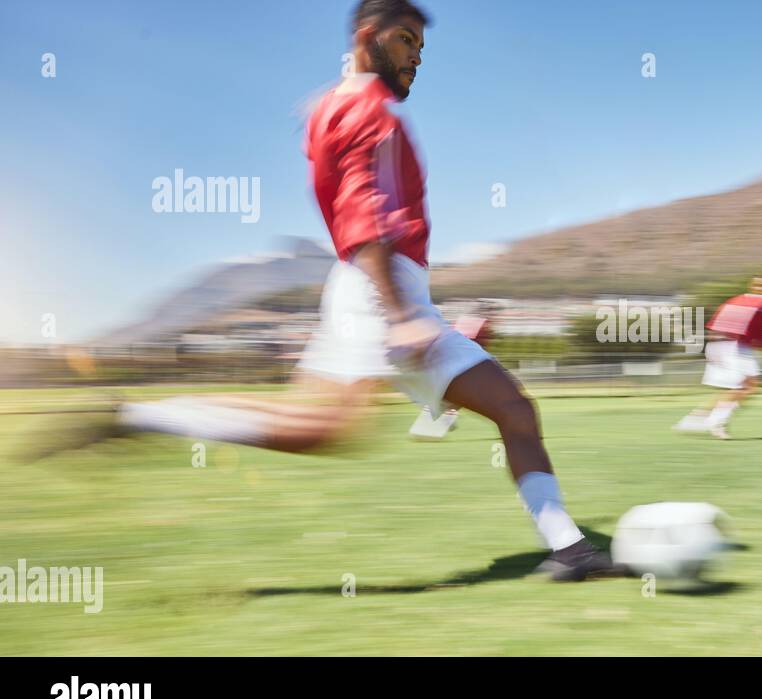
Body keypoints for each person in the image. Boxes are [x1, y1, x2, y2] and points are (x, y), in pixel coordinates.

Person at [24, 0, 616, 582]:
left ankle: (568, 550)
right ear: (369, 34)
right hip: (379, 293)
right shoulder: (369, 110)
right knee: (322, 431)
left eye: (421, 46)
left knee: (513, 408)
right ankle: (140, 416)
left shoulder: (346, 104)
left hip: (396, 291)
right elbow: (364, 216)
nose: (417, 57)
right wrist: (402, 313)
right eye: (407, 39)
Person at [674, 277, 762, 439]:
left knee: (742, 388)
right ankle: (714, 422)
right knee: (745, 388)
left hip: (722, 345)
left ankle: (695, 419)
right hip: (732, 346)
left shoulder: (737, 300)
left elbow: (716, 325)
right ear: (759, 287)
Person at [409, 302, 495, 441]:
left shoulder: (465, 320)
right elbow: (472, 345)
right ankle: (440, 418)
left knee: (453, 396)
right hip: (460, 362)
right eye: (492, 314)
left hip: (443, 358)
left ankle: (440, 419)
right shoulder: (482, 325)